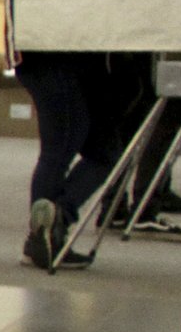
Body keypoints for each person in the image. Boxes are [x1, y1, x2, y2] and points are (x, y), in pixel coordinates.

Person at [14, 48, 155, 270]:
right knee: (60, 148)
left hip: (69, 62)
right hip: (53, 58)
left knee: (106, 154)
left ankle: (54, 221)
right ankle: (44, 237)